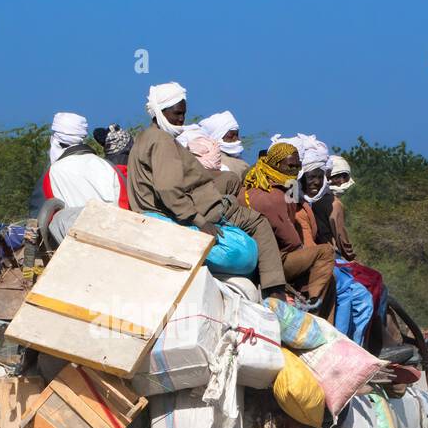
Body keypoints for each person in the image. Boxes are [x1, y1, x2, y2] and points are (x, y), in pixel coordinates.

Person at [127, 82, 285, 294]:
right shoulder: (162, 141)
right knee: (253, 235)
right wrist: (200, 222)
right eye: (176, 113)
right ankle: (276, 293)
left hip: (190, 210)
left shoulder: (145, 137)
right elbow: (168, 189)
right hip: (196, 214)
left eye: (183, 114)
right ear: (160, 112)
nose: (181, 119)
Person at [237, 141, 335, 316]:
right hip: (272, 261)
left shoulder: (251, 186)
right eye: (290, 166)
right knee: (326, 252)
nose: (295, 171)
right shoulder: (275, 196)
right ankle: (313, 306)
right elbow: (292, 240)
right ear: (276, 164)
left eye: (298, 167)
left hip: (251, 255)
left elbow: (291, 215)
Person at [33, 112, 128, 214]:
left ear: (54, 141)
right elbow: (125, 208)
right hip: (115, 227)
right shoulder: (109, 167)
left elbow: (41, 216)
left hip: (71, 229)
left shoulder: (52, 173)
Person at [197, 110, 250, 177]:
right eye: (231, 136)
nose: (237, 139)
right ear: (217, 137)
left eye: (237, 135)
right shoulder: (208, 161)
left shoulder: (241, 163)